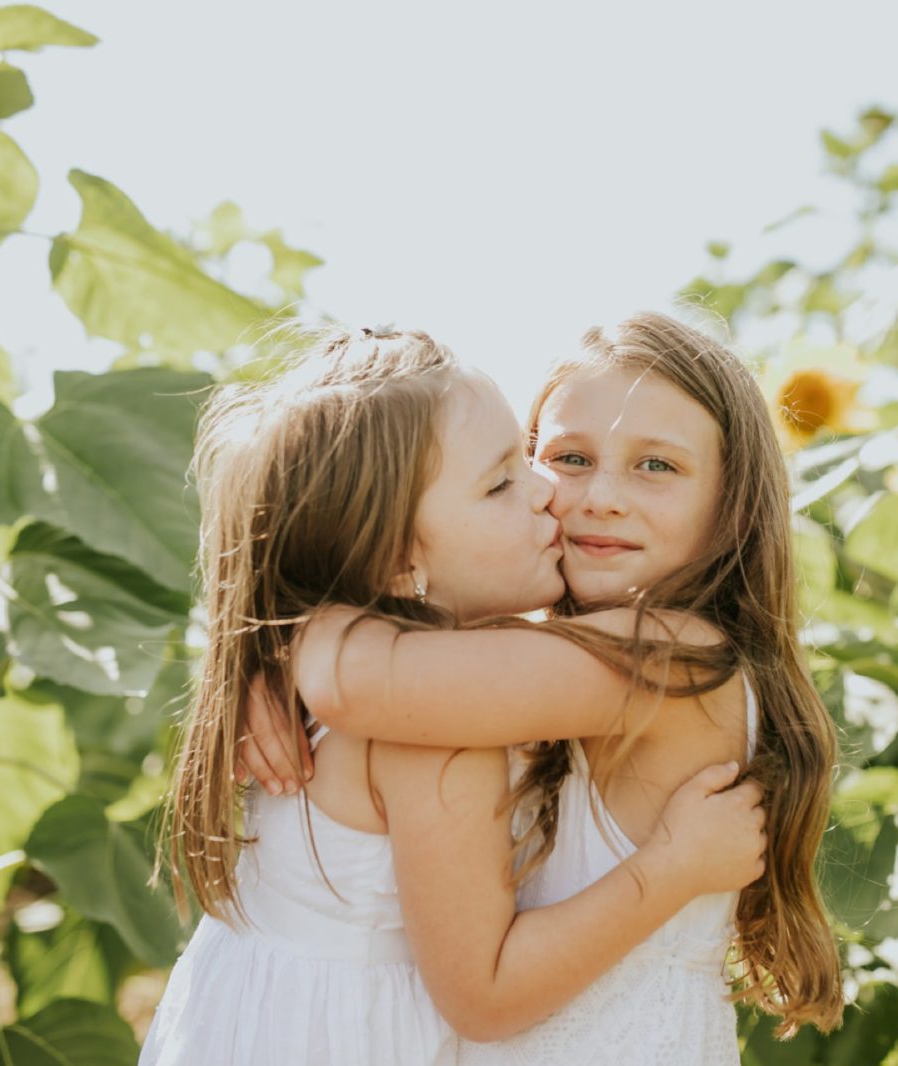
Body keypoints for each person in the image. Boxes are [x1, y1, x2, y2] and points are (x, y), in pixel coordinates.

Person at [141, 327, 767, 1066]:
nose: (580, 497)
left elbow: (360, 681)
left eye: (656, 466)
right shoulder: (461, 694)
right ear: (400, 557)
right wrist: (271, 657)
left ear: (735, 502)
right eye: (560, 459)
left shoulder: (673, 655)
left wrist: (289, 633)